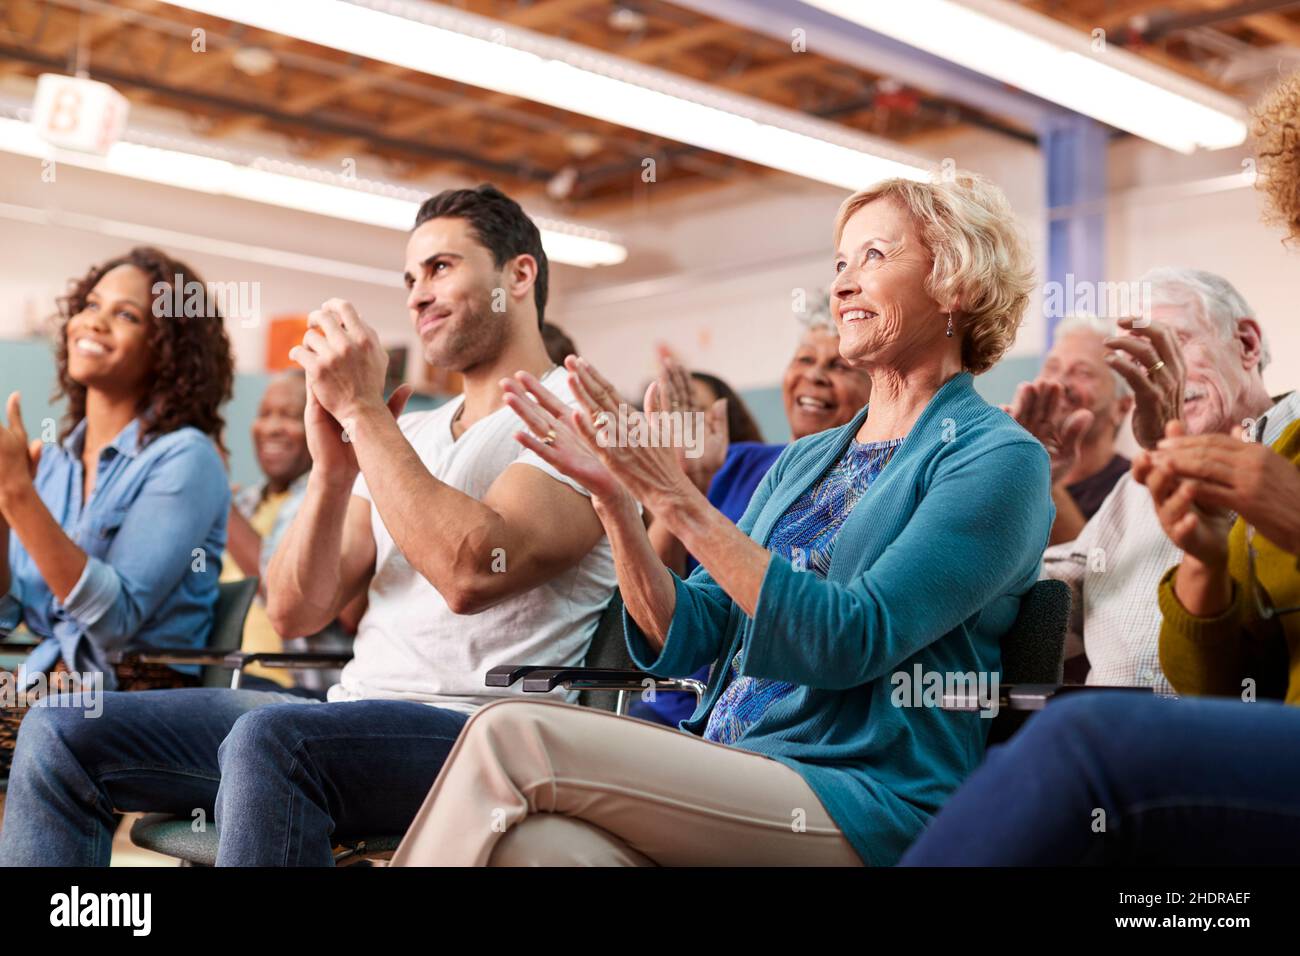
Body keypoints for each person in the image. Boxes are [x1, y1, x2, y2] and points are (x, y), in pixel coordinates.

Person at [391, 171, 1052, 867]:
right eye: (839, 264)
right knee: (531, 848)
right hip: (736, 769)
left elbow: (851, 640)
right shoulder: (807, 459)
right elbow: (694, 628)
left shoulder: (999, 460)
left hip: (862, 799)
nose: (843, 284)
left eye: (874, 257)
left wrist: (677, 498)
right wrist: (617, 501)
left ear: (957, 283)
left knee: (512, 735)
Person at [0, 184, 616, 866]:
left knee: (272, 743)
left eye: (441, 267)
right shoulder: (410, 431)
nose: (415, 294)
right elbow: (295, 608)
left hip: (480, 735)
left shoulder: (578, 415)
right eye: (409, 278)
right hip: (347, 718)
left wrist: (363, 413)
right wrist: (332, 472)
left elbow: (471, 571)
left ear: (519, 274)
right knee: (60, 731)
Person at [898, 69, 1300, 867]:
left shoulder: (1277, 445)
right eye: (1131, 358)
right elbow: (1221, 683)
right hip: (1223, 748)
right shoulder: (1162, 484)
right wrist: (1202, 561)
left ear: (1247, 344)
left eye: (1168, 347)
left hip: (1153, 741)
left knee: (1080, 737)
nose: (1148, 375)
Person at [0, 247, 232, 776]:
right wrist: (1, 508)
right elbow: (9, 616)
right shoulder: (53, 463)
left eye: (125, 314)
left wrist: (17, 496)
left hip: (140, 695)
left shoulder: (185, 457)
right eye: (90, 304)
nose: (94, 321)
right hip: (51, 686)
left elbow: (112, 620)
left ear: (168, 350)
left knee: (44, 726)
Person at [1040, 268, 1288, 693]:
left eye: (1174, 345)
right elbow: (1046, 606)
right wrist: (1016, 486)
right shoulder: (1135, 488)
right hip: (1108, 736)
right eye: (1139, 362)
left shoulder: (1288, 447)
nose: (1160, 374)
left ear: (1246, 343)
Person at [634, 312, 872, 725]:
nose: (815, 376)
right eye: (803, 360)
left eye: (837, 366)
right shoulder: (739, 463)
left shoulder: (874, 482)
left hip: (772, 714)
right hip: (676, 697)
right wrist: (685, 490)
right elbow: (662, 599)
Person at [1005, 315, 1133, 546]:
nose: (1059, 382)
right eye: (1052, 367)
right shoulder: (1012, 467)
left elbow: (1091, 574)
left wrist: (1042, 475)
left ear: (1121, 408)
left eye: (1083, 372)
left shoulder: (1134, 489)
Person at [222, 371, 313, 689]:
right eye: (264, 414)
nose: (272, 428)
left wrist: (222, 503)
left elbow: (281, 592)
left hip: (283, 683)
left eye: (290, 416)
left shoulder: (328, 502)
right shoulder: (245, 501)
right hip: (221, 673)